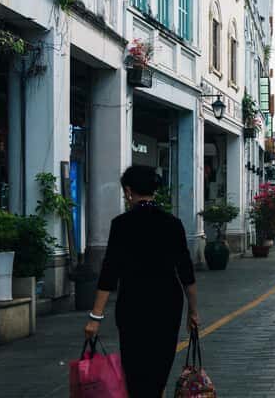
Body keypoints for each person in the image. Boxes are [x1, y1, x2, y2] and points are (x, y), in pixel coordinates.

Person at [85, 165, 199, 397]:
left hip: (132, 305)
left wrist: (95, 318)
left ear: (128, 191)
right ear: (154, 190)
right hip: (168, 304)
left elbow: (109, 273)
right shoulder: (172, 223)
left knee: (135, 368)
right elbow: (186, 273)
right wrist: (193, 312)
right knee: (160, 363)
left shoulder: (121, 224)